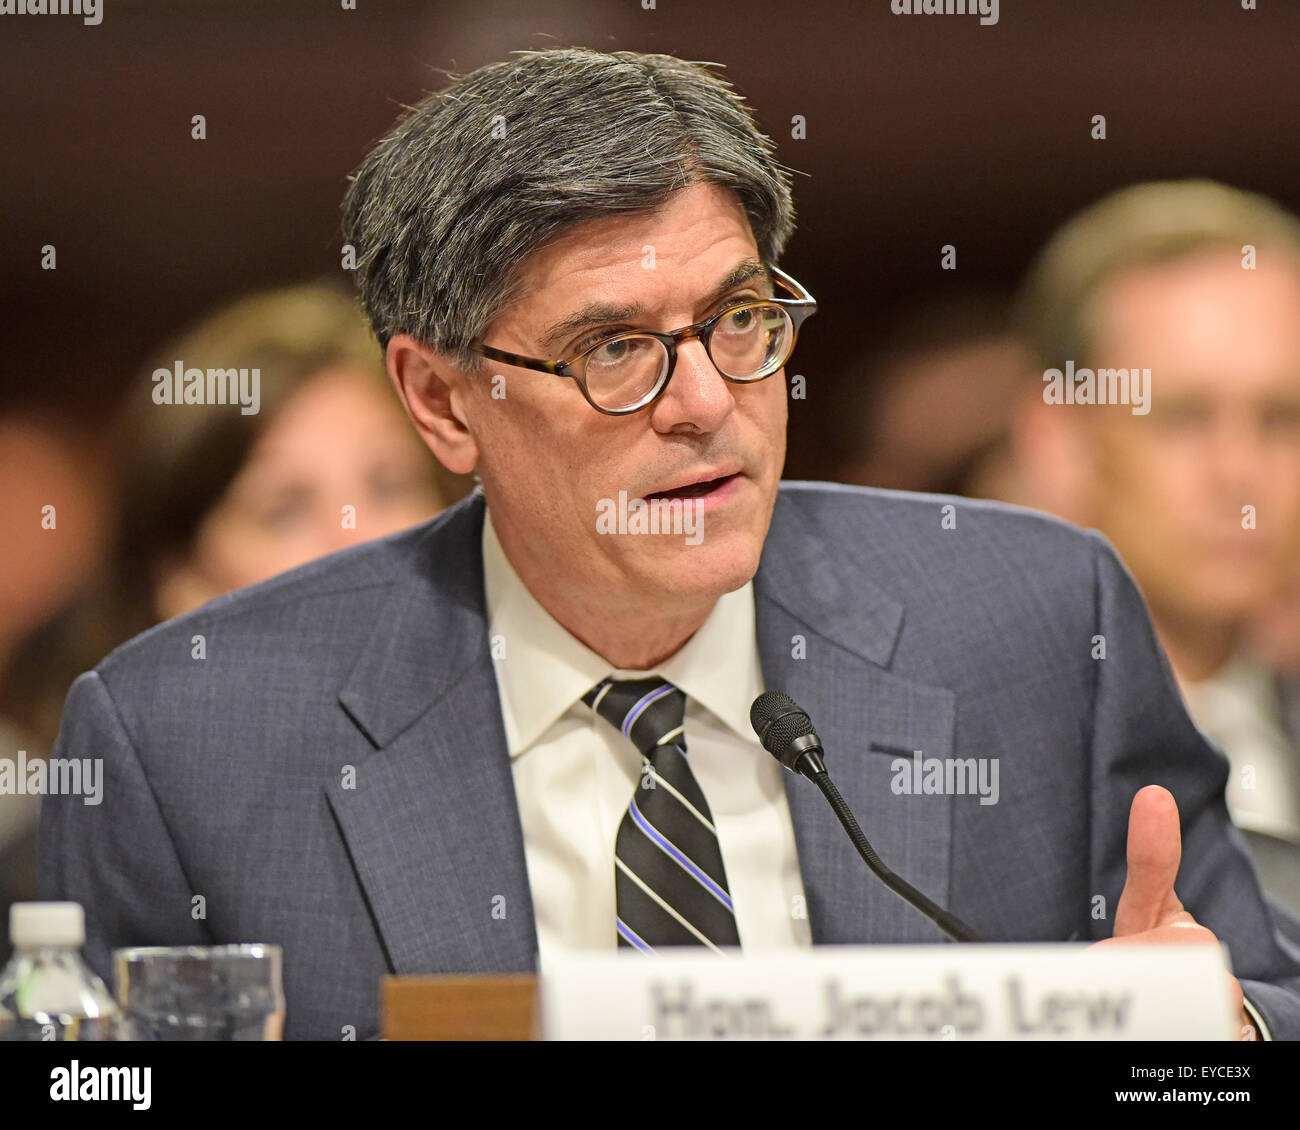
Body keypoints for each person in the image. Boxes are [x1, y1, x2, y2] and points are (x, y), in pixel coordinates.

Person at [39, 49, 1300, 1040]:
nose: (705, 400)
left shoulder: (1033, 620)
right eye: (614, 349)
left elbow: (1253, 995)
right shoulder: (189, 743)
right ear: (439, 399)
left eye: (740, 319)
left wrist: (1209, 1033)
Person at [3, 281, 468, 955]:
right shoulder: (52, 869)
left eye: (389, 485)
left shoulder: (517, 777)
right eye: (284, 508)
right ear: (180, 584)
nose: (355, 536)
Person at [1010, 181, 1300, 914]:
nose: (1240, 472)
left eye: (1281, 418)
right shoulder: (976, 761)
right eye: (1181, 418)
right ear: (1060, 441)